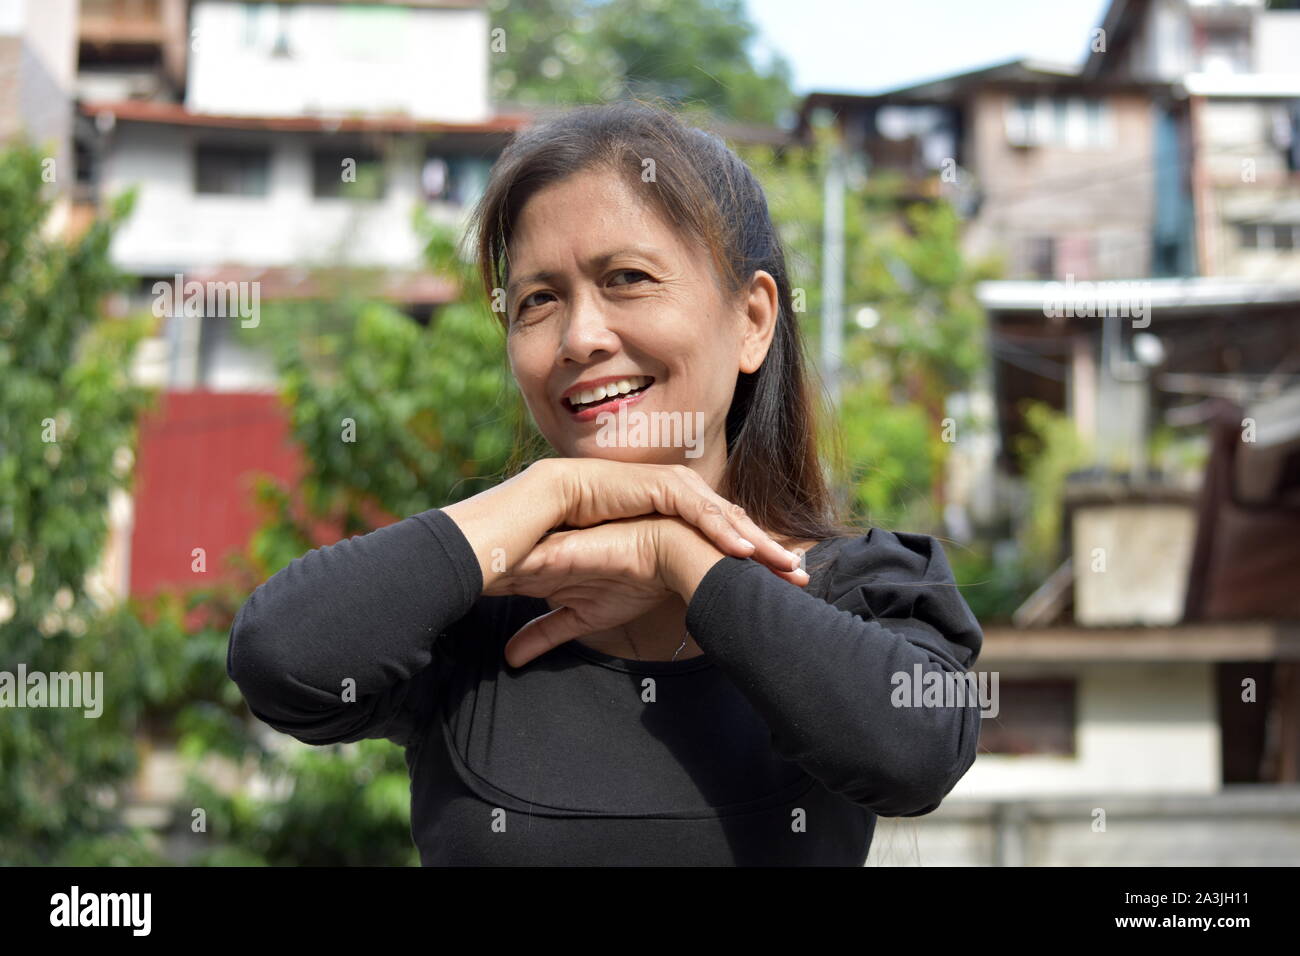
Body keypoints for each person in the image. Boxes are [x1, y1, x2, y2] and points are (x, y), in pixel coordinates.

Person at [226, 100, 984, 866]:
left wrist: (682, 561)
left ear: (752, 321)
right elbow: (280, 659)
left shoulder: (861, 591)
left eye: (627, 278)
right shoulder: (478, 609)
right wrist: (553, 493)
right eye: (538, 301)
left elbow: (915, 755)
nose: (580, 337)